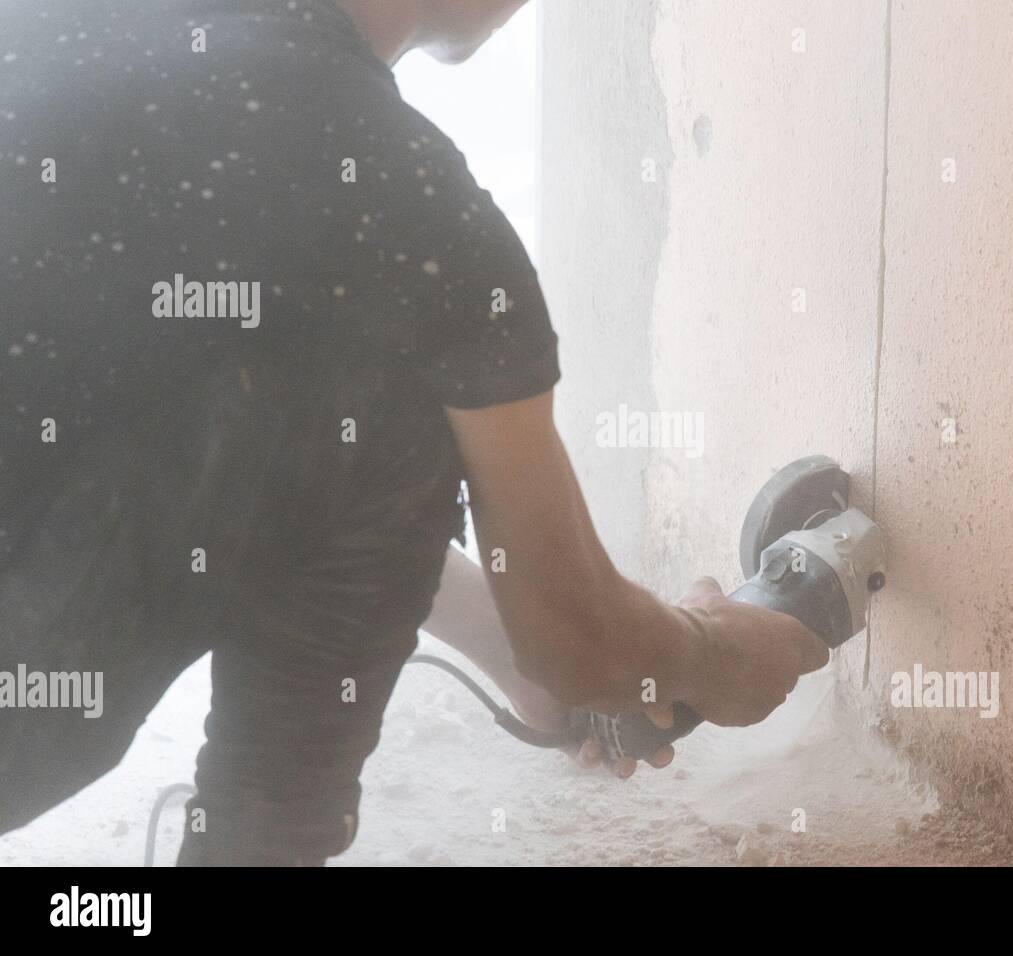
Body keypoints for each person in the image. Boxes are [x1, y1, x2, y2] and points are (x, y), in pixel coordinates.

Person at [0, 0, 826, 865]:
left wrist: (516, 648)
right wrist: (715, 654)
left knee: (274, 375)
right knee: (395, 394)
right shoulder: (405, 202)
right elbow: (578, 641)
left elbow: (237, 450)